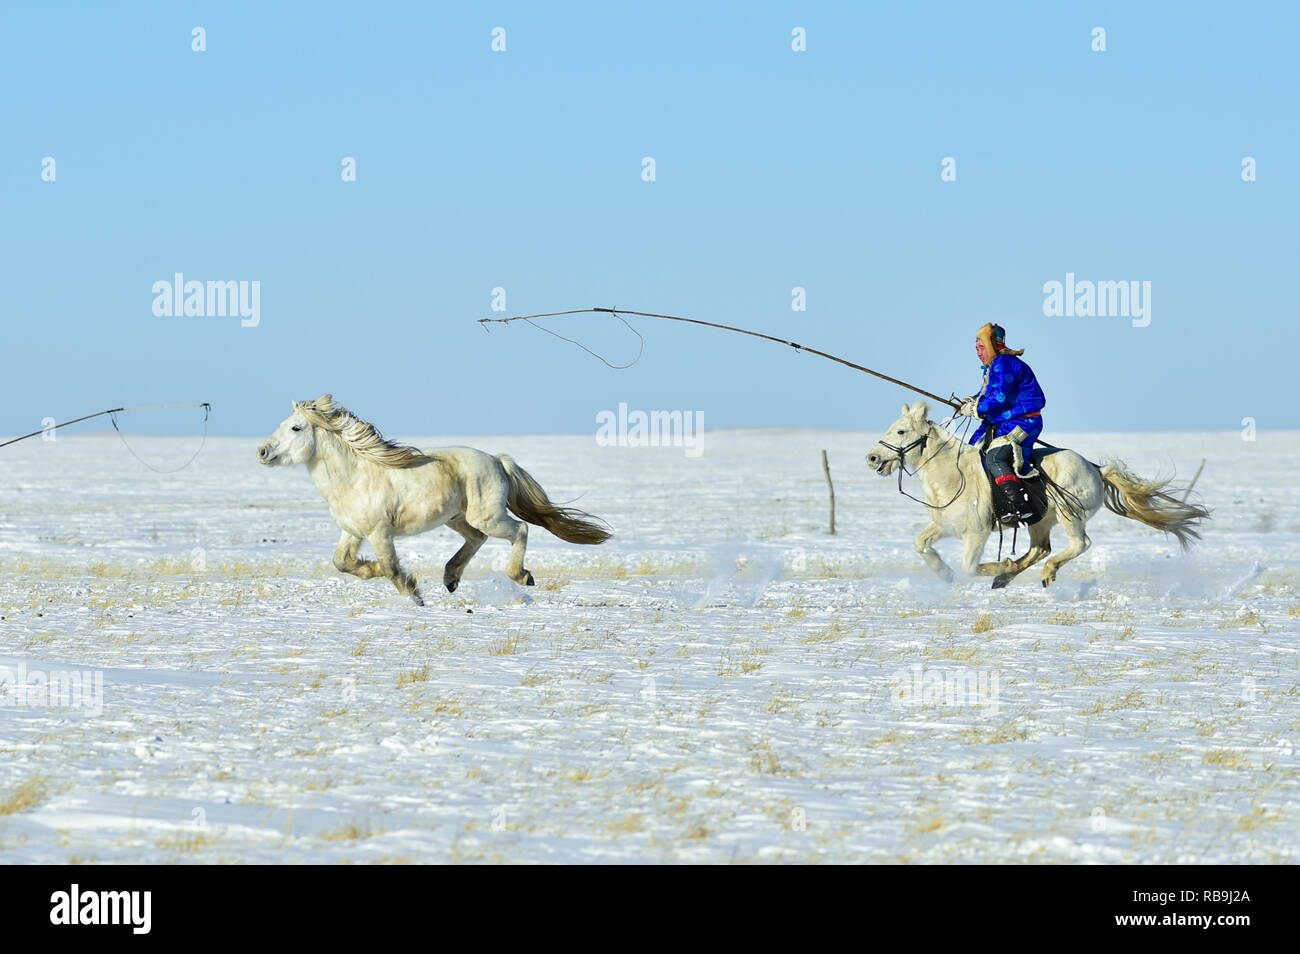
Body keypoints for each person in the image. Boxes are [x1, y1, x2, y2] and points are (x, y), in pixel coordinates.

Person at [958, 323, 1046, 525]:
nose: (978, 353)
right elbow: (986, 395)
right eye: (977, 349)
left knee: (995, 458)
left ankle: (1019, 506)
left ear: (991, 345)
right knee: (974, 451)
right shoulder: (993, 367)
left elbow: (999, 398)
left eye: (981, 348)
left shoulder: (1005, 363)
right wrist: (970, 402)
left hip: (1024, 422)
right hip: (1003, 423)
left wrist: (975, 409)